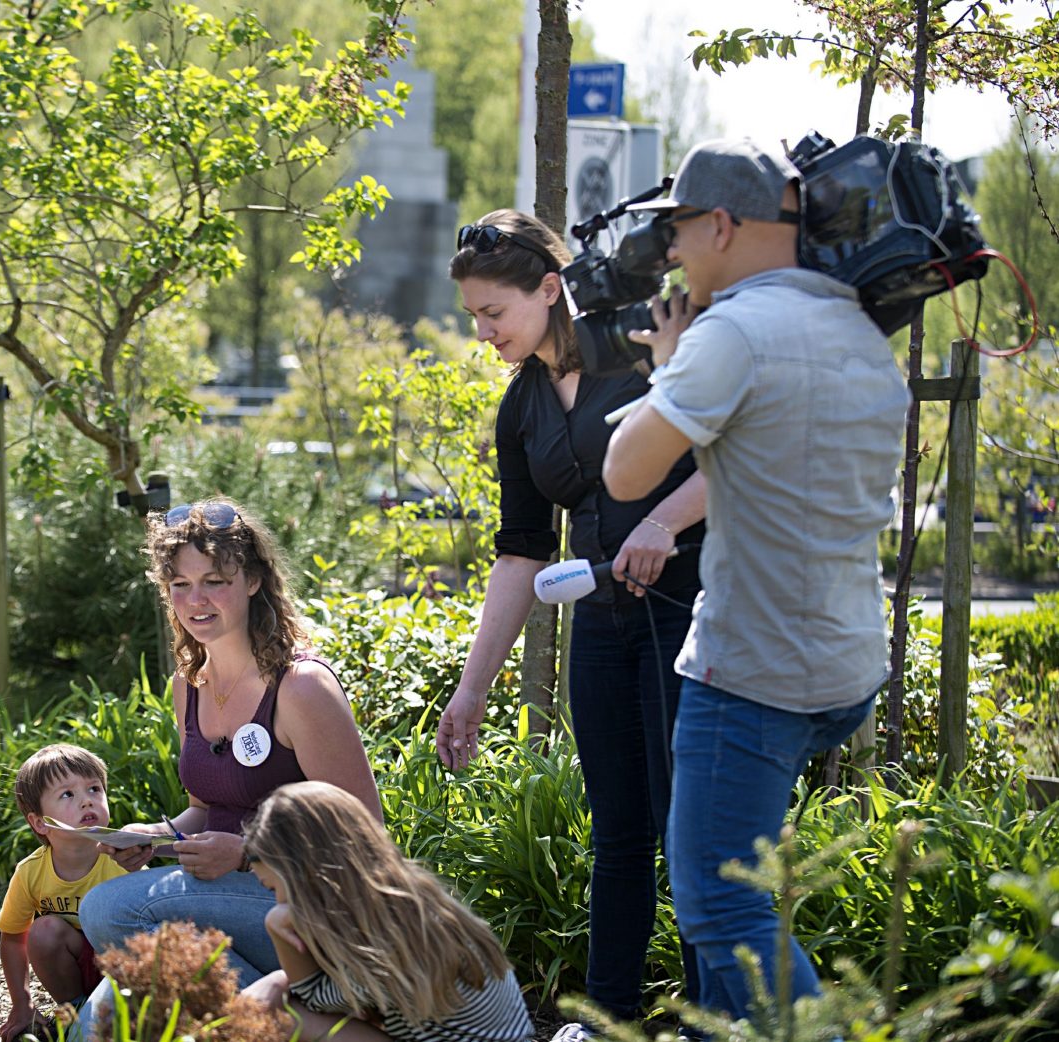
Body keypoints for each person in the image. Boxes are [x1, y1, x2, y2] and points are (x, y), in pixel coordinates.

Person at [601, 138, 910, 1019]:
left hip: (753, 674)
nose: (673, 254)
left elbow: (626, 473)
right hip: (845, 667)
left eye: (681, 233)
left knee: (717, 899)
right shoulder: (857, 325)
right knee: (743, 887)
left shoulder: (733, 331)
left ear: (725, 224)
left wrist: (671, 364)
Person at [434, 211, 705, 1025]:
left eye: (494, 313)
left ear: (550, 290)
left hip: (686, 612)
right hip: (600, 624)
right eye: (475, 317)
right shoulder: (520, 408)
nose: (483, 332)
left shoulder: (643, 349)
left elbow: (735, 447)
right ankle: (607, 1017)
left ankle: (712, 1013)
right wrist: (471, 689)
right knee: (618, 831)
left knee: (688, 828)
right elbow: (520, 554)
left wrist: (667, 522)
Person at [77, 499, 383, 992]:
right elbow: (206, 809)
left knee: (110, 909)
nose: (196, 601)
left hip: (309, 902)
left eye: (214, 582)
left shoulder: (300, 687)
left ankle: (289, 1014)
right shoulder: (188, 684)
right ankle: (281, 1007)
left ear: (254, 580)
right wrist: (155, 836)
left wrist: (245, 853)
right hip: (221, 896)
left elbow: (366, 834)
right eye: (180, 585)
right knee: (105, 1013)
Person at [240, 780, 535, 1042]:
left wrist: (275, 929)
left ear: (307, 876)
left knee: (286, 1018)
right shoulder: (406, 906)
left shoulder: (392, 943)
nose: (278, 901)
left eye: (273, 888)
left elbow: (313, 1000)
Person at [0, 743, 130, 1041]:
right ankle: (75, 1009)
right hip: (76, 965)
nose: (87, 801)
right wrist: (21, 1003)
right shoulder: (31, 873)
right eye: (68, 794)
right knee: (42, 931)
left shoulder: (123, 860)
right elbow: (12, 937)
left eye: (94, 789)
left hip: (124, 968)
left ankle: (116, 1015)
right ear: (40, 823)